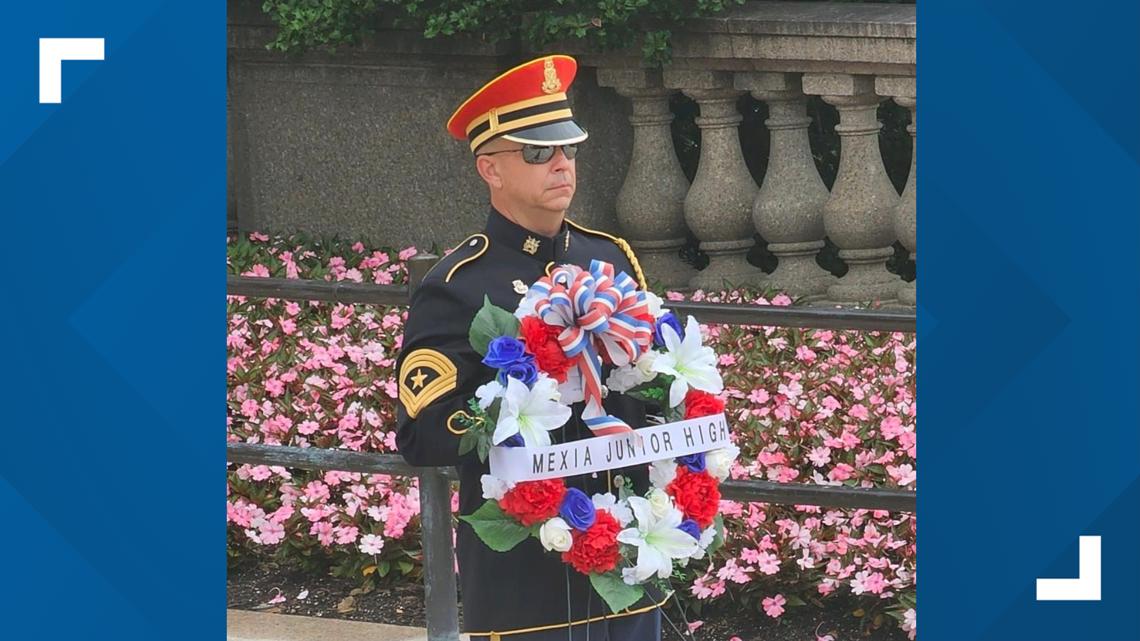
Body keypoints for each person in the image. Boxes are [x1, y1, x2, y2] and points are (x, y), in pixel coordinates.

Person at [395, 55, 667, 641]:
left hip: (624, 545)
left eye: (569, 149)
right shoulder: (458, 285)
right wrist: (513, 397)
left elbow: (650, 385)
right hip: (527, 571)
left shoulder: (609, 258)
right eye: (539, 153)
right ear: (490, 169)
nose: (562, 165)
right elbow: (424, 431)